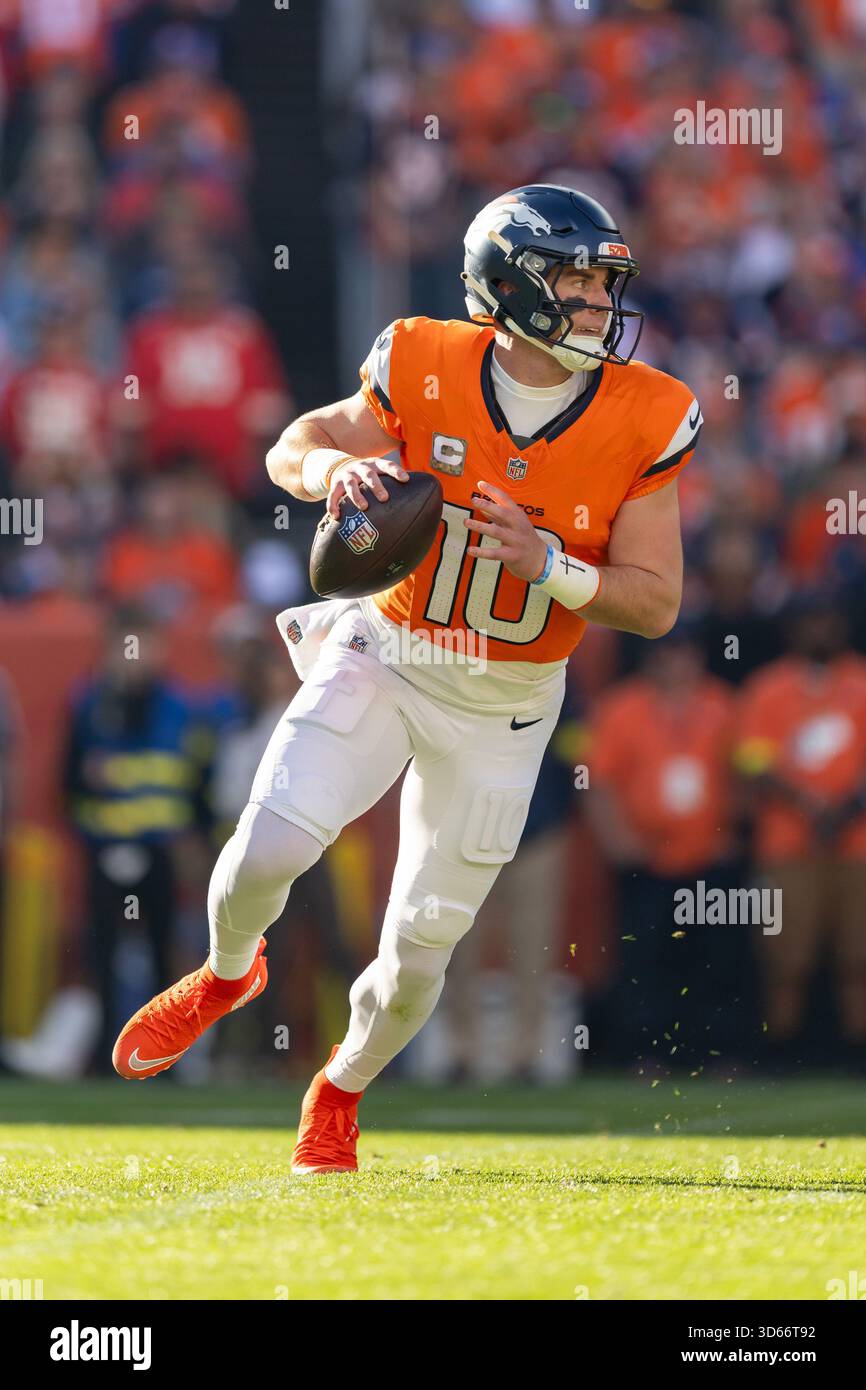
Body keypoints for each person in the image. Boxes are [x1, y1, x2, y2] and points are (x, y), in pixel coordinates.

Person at [112, 185, 702, 1171]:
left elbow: (653, 601)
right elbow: (291, 445)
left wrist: (549, 564)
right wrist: (327, 478)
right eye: (575, 277)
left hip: (506, 706)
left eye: (604, 279)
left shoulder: (647, 413)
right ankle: (225, 973)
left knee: (419, 950)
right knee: (265, 843)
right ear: (506, 286)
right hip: (389, 651)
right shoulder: (423, 359)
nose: (599, 300)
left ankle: (337, 1087)